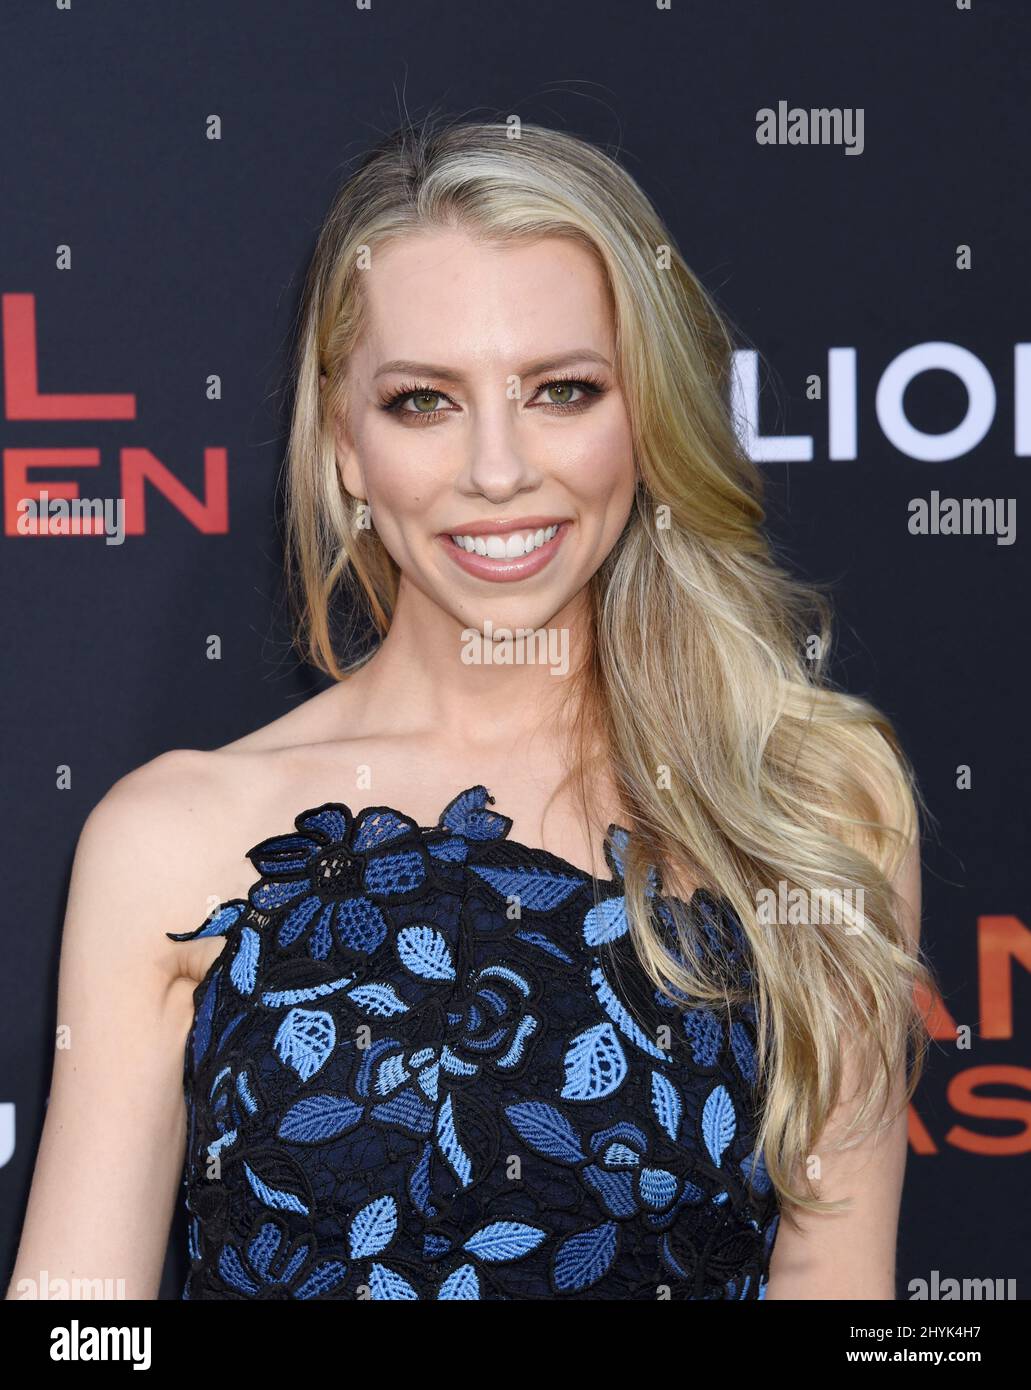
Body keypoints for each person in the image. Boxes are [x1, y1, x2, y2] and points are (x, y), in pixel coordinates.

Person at [7, 115, 933, 1301]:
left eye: (560, 389)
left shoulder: (810, 799)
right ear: (345, 440)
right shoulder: (170, 835)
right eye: (423, 403)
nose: (497, 468)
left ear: (644, 414)